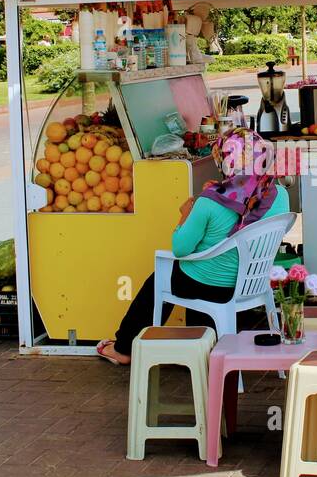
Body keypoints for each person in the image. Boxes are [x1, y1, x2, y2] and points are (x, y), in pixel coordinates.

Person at [96, 129, 291, 365]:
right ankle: (201, 352)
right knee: (192, 273)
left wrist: (185, 215)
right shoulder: (279, 194)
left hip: (210, 285)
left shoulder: (209, 202)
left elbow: (180, 249)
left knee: (162, 277)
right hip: (254, 283)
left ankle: (124, 348)